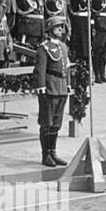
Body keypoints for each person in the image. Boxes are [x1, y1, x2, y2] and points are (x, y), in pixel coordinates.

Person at [33, 15, 71, 167]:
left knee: (56, 122)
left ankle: (53, 152)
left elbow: (66, 67)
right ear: (49, 29)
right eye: (57, 27)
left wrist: (68, 83)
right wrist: (41, 85)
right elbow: (40, 69)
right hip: (50, 86)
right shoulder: (44, 48)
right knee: (47, 122)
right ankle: (46, 154)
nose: (61, 29)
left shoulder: (62, 46)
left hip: (61, 86)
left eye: (62, 27)